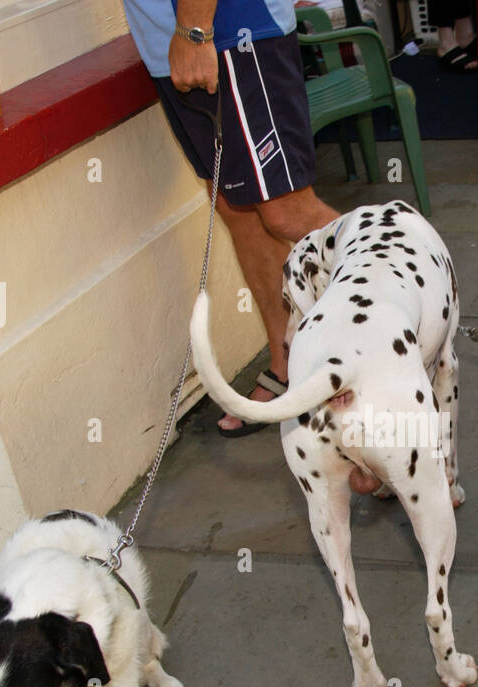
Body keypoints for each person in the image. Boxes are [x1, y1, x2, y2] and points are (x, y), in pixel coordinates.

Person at [120, 0, 341, 435]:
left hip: (228, 31)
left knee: (287, 209)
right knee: (237, 209)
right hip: (171, 42)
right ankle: (289, 364)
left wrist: (194, 29)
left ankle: (407, 335)